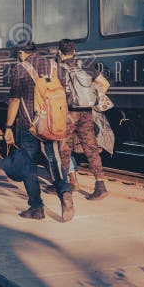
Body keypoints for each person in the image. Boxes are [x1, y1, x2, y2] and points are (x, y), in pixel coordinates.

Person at [4, 40, 74, 221]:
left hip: (30, 126)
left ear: (21, 53)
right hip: (52, 123)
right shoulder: (55, 66)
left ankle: (36, 207)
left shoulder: (20, 69)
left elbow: (14, 100)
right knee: (55, 160)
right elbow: (64, 95)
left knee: (28, 166)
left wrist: (9, 127)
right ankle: (65, 191)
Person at [57, 39, 108, 200]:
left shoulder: (58, 69)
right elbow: (104, 84)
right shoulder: (85, 64)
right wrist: (93, 98)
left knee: (64, 148)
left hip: (69, 114)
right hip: (87, 112)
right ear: (74, 51)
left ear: (59, 52)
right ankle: (100, 185)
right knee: (91, 148)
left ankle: (64, 184)